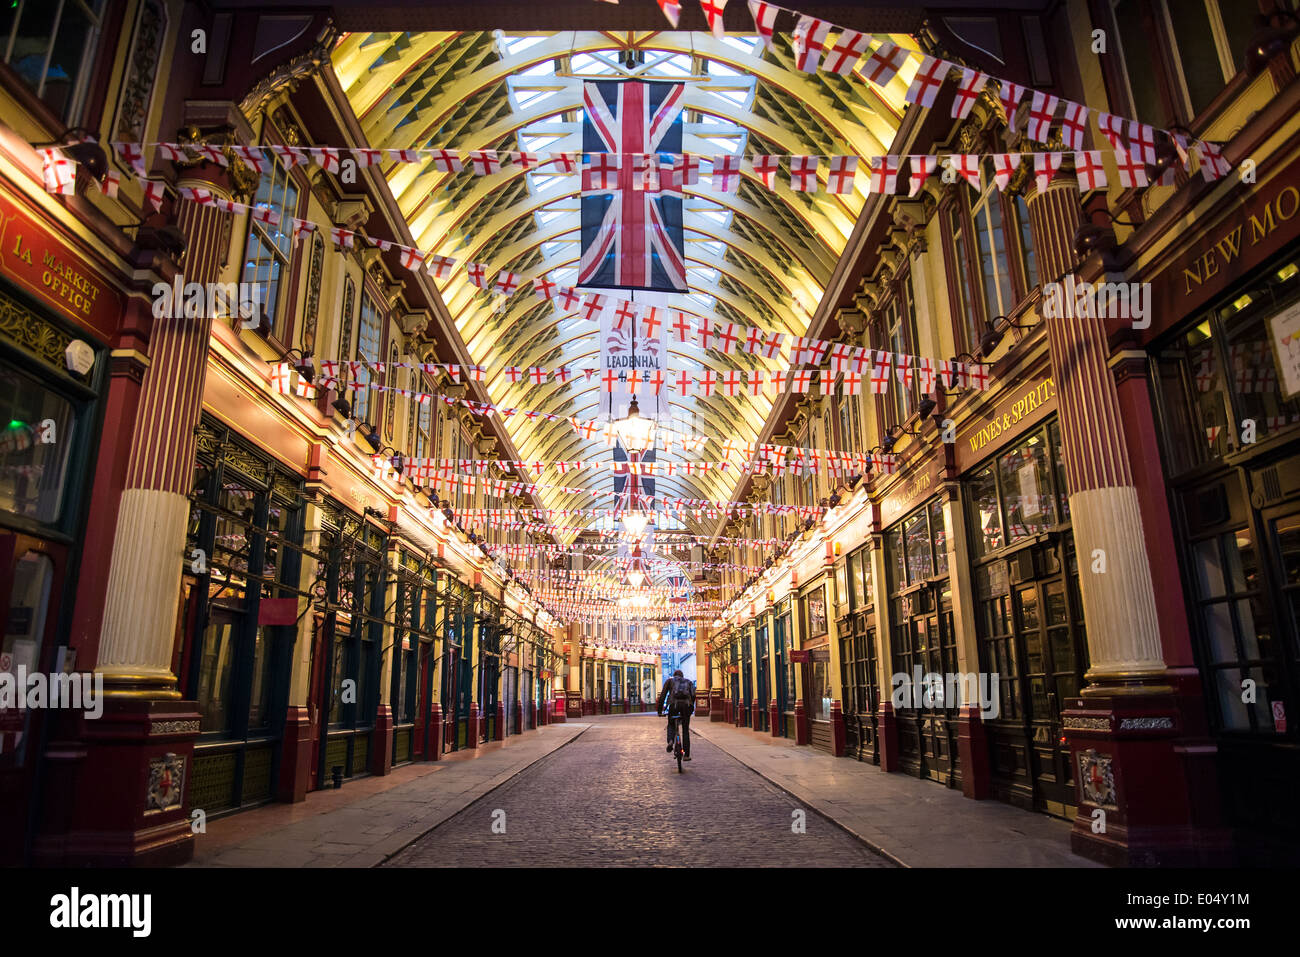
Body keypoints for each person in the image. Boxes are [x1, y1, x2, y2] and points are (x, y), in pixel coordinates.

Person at [657, 669, 695, 761]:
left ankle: (670, 741)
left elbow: (663, 696)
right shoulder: (688, 682)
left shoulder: (670, 681)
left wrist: (659, 711)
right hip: (686, 705)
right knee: (685, 729)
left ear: (674, 675)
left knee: (671, 724)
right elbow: (693, 695)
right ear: (682, 675)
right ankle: (686, 755)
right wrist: (690, 708)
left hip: (674, 705)